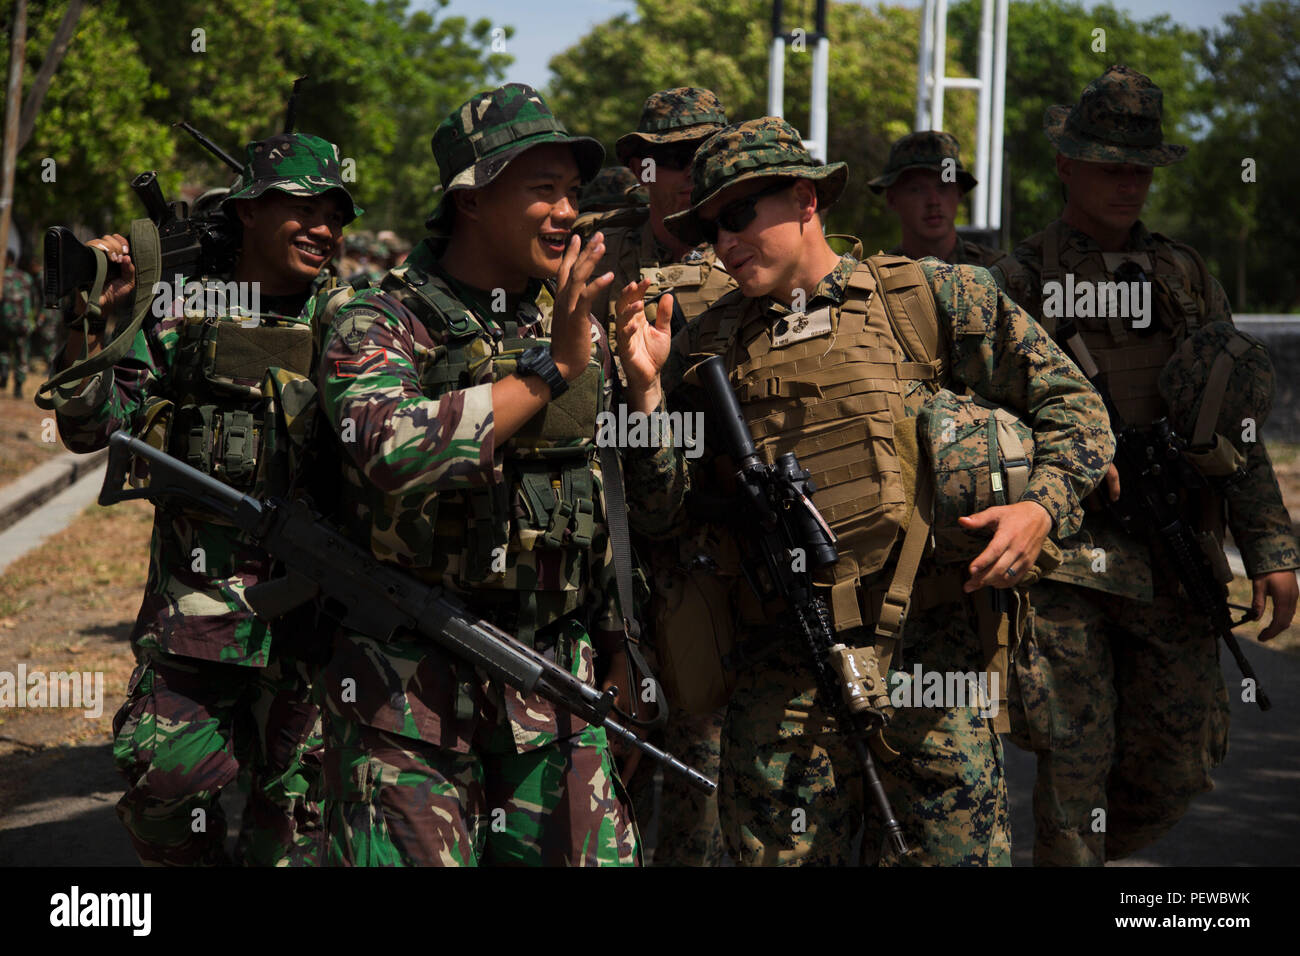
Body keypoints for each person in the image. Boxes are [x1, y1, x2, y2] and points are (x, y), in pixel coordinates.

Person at [619, 116, 1112, 866]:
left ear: (806, 199)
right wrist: (649, 393)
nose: (723, 241)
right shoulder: (700, 347)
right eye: (710, 226)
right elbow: (660, 512)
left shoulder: (927, 297)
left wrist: (1041, 506)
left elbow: (1074, 408)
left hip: (931, 659)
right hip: (783, 670)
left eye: (739, 215)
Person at [314, 83, 682, 867]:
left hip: (556, 689)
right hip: (408, 697)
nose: (565, 212)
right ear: (472, 200)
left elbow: (643, 506)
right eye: (541, 189)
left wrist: (646, 389)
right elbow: (389, 449)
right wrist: (553, 371)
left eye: (572, 192)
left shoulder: (568, 317)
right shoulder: (380, 318)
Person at [993, 64, 1299, 866]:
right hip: (1068, 567)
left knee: (1176, 768)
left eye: (1140, 168)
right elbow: (974, 425)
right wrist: (1067, 458)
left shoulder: (1186, 276)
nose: (1129, 183)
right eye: (1109, 165)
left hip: (1173, 559)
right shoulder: (1016, 283)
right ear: (1065, 165)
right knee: (1075, 772)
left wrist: (1268, 548)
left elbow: (1231, 423)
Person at [46, 132, 361, 866]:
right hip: (198, 625)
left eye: (336, 213)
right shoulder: (177, 314)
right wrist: (102, 317)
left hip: (316, 634)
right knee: (164, 796)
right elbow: (88, 429)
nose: (324, 227)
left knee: (295, 832)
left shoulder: (357, 320)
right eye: (304, 207)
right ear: (249, 210)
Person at [579, 86, 737, 867]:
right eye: (662, 159)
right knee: (603, 778)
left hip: (717, 559)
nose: (678, 175)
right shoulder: (595, 257)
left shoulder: (750, 260)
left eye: (697, 157)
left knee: (701, 790)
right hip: (610, 560)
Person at [872, 130, 1025, 280]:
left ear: (959, 193)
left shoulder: (999, 273)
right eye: (917, 189)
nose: (933, 201)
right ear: (892, 199)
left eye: (943, 187)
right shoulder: (876, 279)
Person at [1, 250, 36, 398]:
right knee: (22, 354)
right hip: (23, 323)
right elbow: (33, 300)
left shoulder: (2, 277)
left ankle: (3, 372)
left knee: (3, 349)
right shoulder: (26, 278)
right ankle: (18, 387)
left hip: (5, 321)